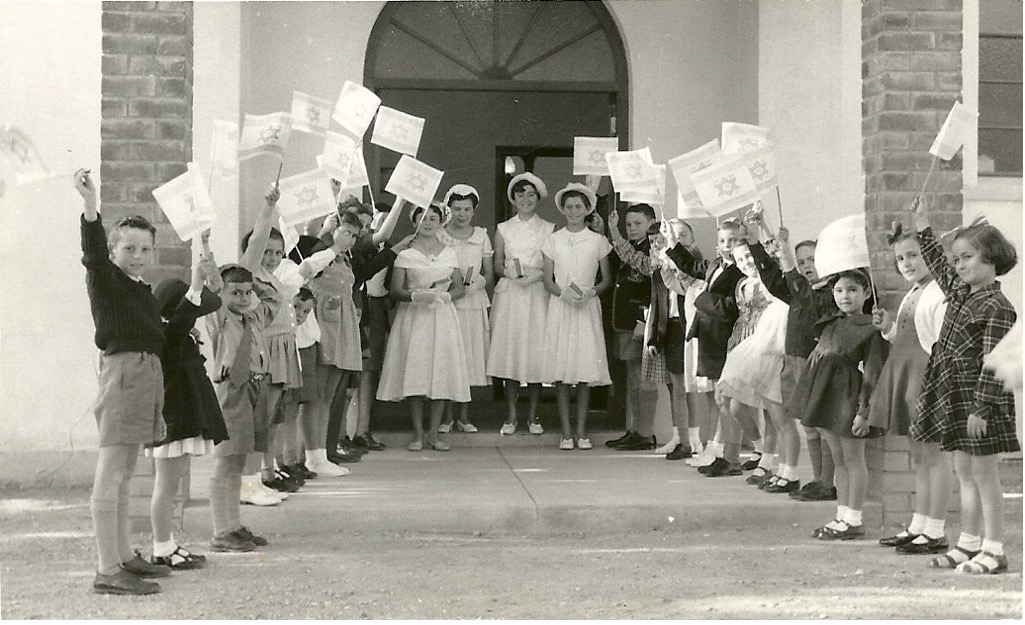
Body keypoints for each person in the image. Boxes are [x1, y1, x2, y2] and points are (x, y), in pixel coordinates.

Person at [75, 168, 171, 595]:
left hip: (145, 376)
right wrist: (90, 204)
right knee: (111, 471)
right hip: (123, 377)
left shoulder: (140, 290)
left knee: (128, 471)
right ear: (113, 251)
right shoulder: (105, 279)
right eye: (128, 248)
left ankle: (124, 555)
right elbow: (92, 254)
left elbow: (160, 334)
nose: (137, 255)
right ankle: (105, 569)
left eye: (144, 248)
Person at [911, 198, 1019, 574]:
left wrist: (980, 409)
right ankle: (968, 544)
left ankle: (994, 549)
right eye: (957, 259)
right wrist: (923, 226)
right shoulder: (959, 292)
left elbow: (994, 362)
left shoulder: (999, 307)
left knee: (984, 475)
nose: (959, 265)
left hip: (980, 402)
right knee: (964, 472)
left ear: (992, 260)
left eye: (968, 257)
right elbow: (939, 267)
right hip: (952, 395)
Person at [205, 185, 281, 553]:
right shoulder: (220, 318)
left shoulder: (258, 314)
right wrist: (204, 248)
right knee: (227, 460)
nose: (242, 297)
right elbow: (212, 277)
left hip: (256, 388)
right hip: (231, 390)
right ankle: (221, 530)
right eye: (234, 292)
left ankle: (233, 525)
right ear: (220, 294)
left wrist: (268, 209)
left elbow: (256, 271)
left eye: (246, 292)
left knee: (240, 462)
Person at [147, 232, 229, 571]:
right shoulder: (167, 333)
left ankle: (167, 543)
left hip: (183, 415)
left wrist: (206, 251)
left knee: (171, 484)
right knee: (165, 485)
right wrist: (195, 285)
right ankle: (162, 546)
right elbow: (183, 319)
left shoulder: (177, 330)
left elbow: (215, 296)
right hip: (174, 418)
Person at [789, 265, 888, 541]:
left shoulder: (870, 328)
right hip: (827, 398)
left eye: (853, 290)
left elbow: (874, 372)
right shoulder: (831, 322)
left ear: (867, 293)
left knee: (854, 458)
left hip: (848, 399)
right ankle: (842, 516)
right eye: (839, 290)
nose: (845, 296)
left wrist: (864, 412)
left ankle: (855, 518)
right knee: (839, 460)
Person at [869, 223, 950, 554]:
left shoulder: (939, 292)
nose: (907, 263)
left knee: (933, 456)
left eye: (914, 255)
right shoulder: (912, 292)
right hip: (905, 374)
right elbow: (904, 337)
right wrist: (888, 328)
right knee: (918, 456)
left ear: (930, 255)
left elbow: (940, 342)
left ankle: (936, 530)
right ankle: (919, 524)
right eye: (900, 258)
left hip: (925, 378)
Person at [747, 209, 838, 502]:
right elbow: (775, 280)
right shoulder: (800, 291)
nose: (806, 266)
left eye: (812, 260)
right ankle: (817, 479)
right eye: (801, 262)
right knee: (809, 425)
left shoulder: (826, 294)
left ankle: (827, 481)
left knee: (822, 425)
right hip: (795, 363)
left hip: (816, 366)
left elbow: (796, 287)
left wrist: (785, 253)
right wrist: (755, 243)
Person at [377, 203, 470, 451]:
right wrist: (416, 296)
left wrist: (447, 296)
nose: (427, 223)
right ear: (414, 221)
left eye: (432, 218)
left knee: (440, 372)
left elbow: (459, 287)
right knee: (416, 371)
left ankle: (434, 435)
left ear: (440, 222)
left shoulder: (450, 252)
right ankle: (417, 435)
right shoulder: (406, 253)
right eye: (422, 218)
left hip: (441, 316)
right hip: (415, 316)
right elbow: (396, 290)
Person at [664, 218, 745, 474]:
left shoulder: (741, 272)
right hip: (708, 338)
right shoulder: (715, 264)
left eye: (733, 241)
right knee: (718, 399)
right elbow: (689, 265)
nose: (726, 246)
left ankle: (729, 454)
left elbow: (732, 307)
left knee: (726, 400)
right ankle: (718, 450)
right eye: (722, 241)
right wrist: (672, 242)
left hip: (725, 340)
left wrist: (702, 299)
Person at [715, 238, 795, 488]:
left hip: (770, 341)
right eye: (740, 259)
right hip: (747, 342)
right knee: (734, 403)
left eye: (749, 257)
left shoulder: (771, 282)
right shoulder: (743, 284)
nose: (746, 263)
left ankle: (768, 462)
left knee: (772, 411)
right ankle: (761, 450)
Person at [541, 183, 614, 449]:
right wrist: (562, 294)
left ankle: (582, 431)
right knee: (562, 371)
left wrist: (590, 292)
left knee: (584, 369)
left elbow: (606, 279)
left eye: (578, 207)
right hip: (561, 305)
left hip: (586, 307)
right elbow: (547, 279)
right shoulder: (553, 239)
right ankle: (566, 432)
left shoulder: (598, 241)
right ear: (563, 209)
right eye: (569, 207)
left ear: (587, 210)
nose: (573, 211)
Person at [487, 173, 554, 435]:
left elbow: (552, 263)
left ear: (537, 198)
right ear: (512, 199)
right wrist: (510, 273)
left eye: (530, 195)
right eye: (520, 195)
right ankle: (512, 415)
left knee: (535, 355)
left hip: (538, 293)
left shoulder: (548, 228)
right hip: (512, 295)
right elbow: (496, 264)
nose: (525, 199)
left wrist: (538, 275)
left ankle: (534, 415)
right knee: (511, 354)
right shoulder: (503, 228)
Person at [304, 211, 365, 474]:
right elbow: (305, 270)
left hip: (343, 324)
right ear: (333, 229)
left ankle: (322, 454)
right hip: (323, 323)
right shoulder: (321, 252)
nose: (349, 239)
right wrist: (331, 242)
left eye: (354, 235)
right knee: (317, 395)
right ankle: (312, 454)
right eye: (346, 232)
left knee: (330, 395)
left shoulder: (344, 259)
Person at [438, 184, 494, 434]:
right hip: (448, 299)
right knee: (449, 356)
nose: (462, 214)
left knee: (469, 357)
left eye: (467, 209)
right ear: (448, 209)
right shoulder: (439, 234)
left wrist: (479, 282)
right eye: (457, 208)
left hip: (473, 302)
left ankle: (464, 415)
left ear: (474, 211)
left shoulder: (481, 235)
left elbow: (490, 272)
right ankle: (446, 416)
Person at [604, 203, 659, 451]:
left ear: (651, 223)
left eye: (637, 224)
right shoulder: (634, 246)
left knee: (644, 378)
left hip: (641, 320)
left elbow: (647, 273)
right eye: (628, 225)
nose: (632, 228)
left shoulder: (654, 248)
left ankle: (646, 433)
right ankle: (634, 429)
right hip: (626, 321)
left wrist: (615, 234)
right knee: (633, 378)